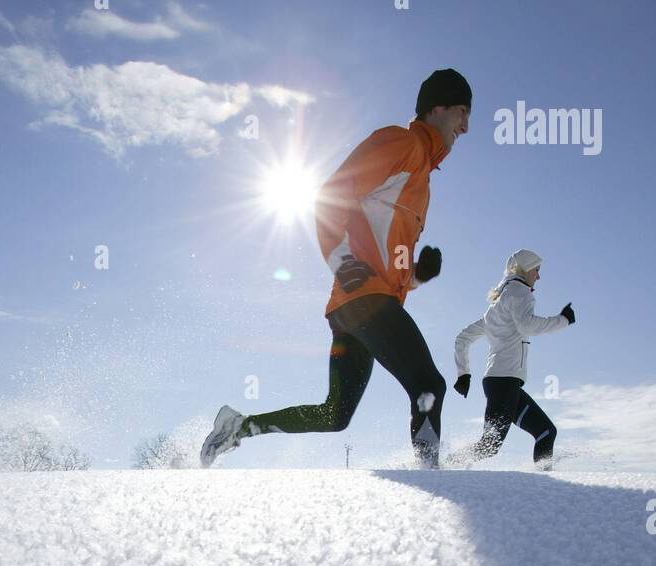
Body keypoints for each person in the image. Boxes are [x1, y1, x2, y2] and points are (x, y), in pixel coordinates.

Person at [200, 69, 472, 470]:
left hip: (361, 304)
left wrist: (418, 275)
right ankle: (430, 481)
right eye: (462, 112)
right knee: (428, 384)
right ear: (437, 107)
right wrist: (343, 263)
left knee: (335, 415)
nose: (466, 127)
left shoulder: (422, 184)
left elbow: (389, 264)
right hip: (364, 300)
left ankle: (239, 427)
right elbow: (331, 194)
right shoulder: (402, 142)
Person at [452, 249, 575, 470]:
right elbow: (527, 325)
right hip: (504, 382)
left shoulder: (496, 306)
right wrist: (563, 320)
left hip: (501, 382)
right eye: (537, 270)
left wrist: (464, 374)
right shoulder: (520, 293)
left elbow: (462, 339)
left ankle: (544, 484)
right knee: (490, 445)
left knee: (546, 432)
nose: (538, 276)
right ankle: (444, 466)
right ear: (526, 269)